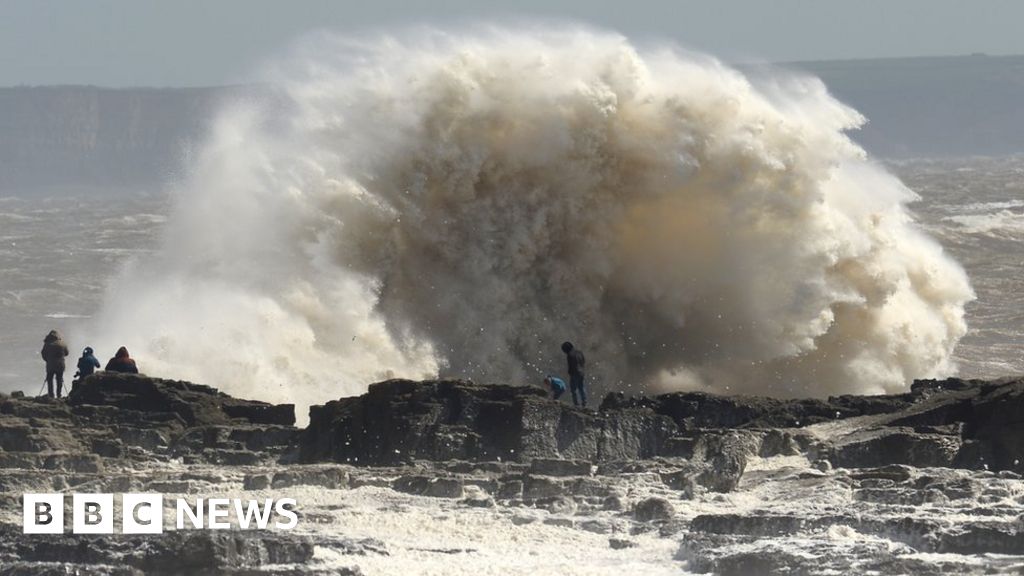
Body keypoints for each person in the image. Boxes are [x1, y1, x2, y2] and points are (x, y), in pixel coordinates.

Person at [40, 330, 69, 398]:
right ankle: (59, 394)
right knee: (59, 379)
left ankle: (51, 395)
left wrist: (47, 360)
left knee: (50, 380)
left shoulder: (47, 344)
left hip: (50, 365)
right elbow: (67, 353)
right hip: (60, 365)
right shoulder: (62, 343)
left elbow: (43, 354)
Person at [561, 341, 587, 407]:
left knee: (573, 390)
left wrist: (570, 372)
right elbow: (583, 361)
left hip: (575, 373)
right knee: (581, 388)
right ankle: (584, 402)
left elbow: (571, 365)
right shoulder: (579, 353)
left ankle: (576, 404)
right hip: (582, 372)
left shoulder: (570, 355)